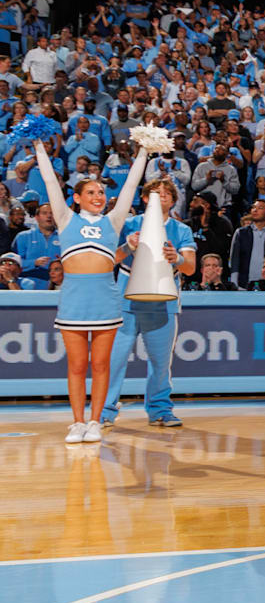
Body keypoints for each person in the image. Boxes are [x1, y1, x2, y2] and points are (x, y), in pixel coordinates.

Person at [32, 140, 149, 443]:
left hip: (105, 301)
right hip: (73, 301)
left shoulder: (113, 220)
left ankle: (95, 421)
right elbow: (50, 181)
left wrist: (144, 152)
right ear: (77, 197)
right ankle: (77, 422)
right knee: (76, 366)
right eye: (91, 193)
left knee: (100, 365)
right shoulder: (65, 218)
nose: (98, 197)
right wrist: (39, 148)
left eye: (101, 192)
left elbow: (131, 186)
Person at [102, 178, 197, 428]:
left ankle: (160, 409)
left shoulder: (181, 230)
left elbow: (190, 268)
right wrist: (127, 246)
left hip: (163, 303)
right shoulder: (128, 224)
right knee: (114, 360)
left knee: (161, 362)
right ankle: (104, 410)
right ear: (145, 198)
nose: (161, 195)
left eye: (167, 193)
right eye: (156, 192)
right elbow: (109, 259)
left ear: (173, 200)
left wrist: (177, 258)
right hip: (125, 303)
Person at [229, 198, 265, 287]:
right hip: (244, 284)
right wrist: (234, 283)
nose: (255, 210)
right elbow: (234, 260)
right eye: (253, 207)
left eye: (260, 208)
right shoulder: (240, 233)